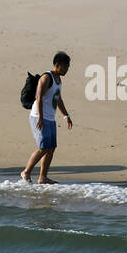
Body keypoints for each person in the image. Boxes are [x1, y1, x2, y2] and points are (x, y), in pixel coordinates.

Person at [21, 51, 73, 183]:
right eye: (66, 66)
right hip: (38, 117)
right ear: (57, 64)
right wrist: (40, 118)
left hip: (50, 118)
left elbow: (58, 99)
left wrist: (66, 115)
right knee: (43, 147)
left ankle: (42, 177)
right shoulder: (46, 78)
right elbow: (38, 97)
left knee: (51, 147)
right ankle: (26, 172)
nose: (67, 69)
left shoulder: (58, 80)